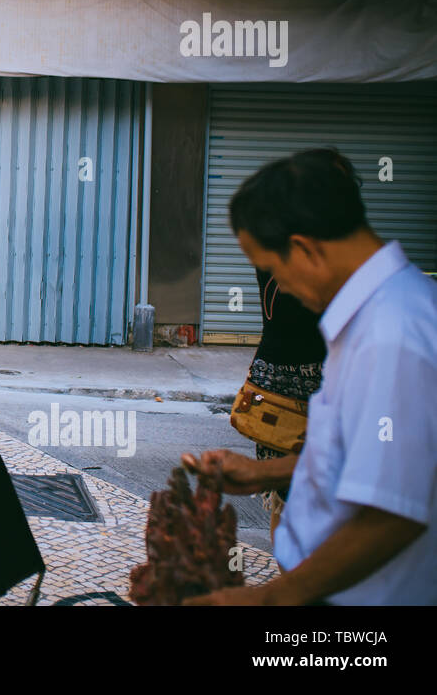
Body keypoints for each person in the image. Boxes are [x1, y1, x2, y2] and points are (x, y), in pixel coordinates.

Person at [182, 148, 436, 605]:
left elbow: (393, 513)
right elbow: (363, 456)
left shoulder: (389, 334)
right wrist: (265, 473)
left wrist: (271, 599)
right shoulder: (372, 316)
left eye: (275, 271)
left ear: (303, 249)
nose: (279, 291)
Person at [244, 264, 326, 539]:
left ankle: (294, 573)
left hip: (271, 376)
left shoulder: (267, 254)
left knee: (285, 497)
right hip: (307, 379)